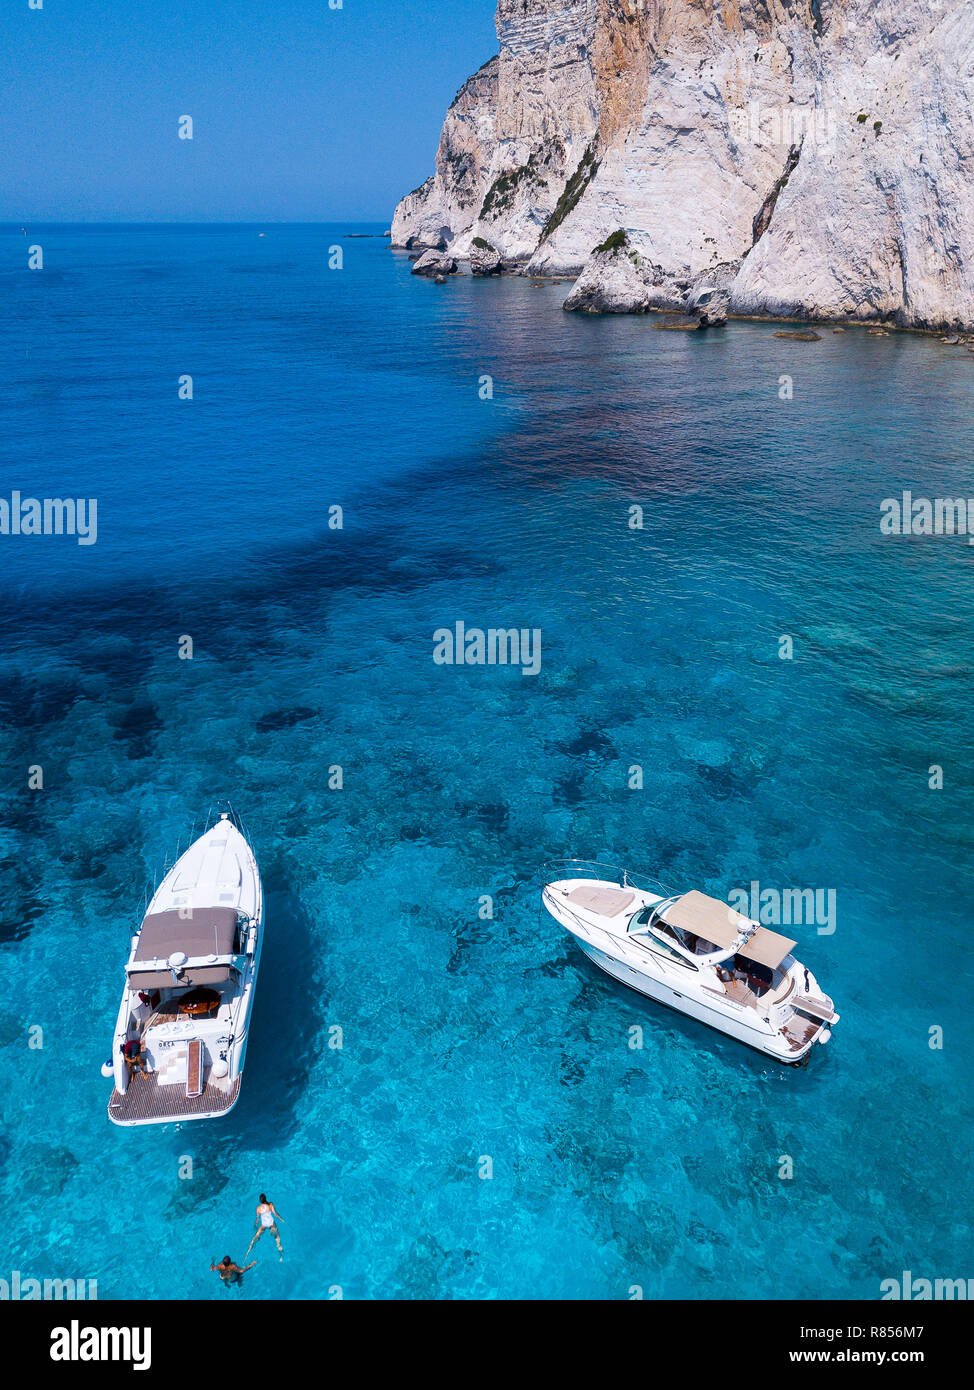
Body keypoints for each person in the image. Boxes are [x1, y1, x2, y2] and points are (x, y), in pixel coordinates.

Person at [245, 1193, 284, 1259]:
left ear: (260, 1201)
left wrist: (255, 1225)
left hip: (264, 1224)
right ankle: (280, 1256)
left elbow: (257, 1220)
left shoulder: (258, 1208)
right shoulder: (270, 1205)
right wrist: (281, 1219)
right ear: (266, 1198)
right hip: (271, 1224)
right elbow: (275, 1214)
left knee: (256, 1236)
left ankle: (248, 1253)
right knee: (277, 1238)